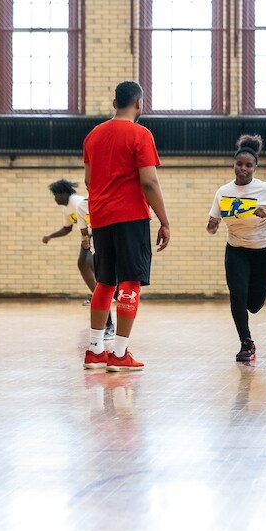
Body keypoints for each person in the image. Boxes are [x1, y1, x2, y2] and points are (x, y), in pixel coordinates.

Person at [82, 81, 170, 372]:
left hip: (101, 217)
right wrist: (164, 220)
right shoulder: (140, 134)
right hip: (130, 217)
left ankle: (95, 351)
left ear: (113, 102)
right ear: (139, 104)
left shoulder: (93, 135)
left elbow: (88, 180)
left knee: (105, 281)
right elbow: (149, 181)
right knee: (130, 282)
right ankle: (119, 354)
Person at [207, 135, 266, 362]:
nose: (242, 169)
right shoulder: (223, 192)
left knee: (254, 304)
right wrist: (212, 225)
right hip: (236, 249)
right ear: (234, 165)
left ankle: (250, 321)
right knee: (237, 294)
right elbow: (212, 224)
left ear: (255, 167)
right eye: (239, 164)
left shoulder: (265, 190)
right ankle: (246, 343)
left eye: (248, 165)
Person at [42, 179, 115, 339]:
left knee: (86, 266)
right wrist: (50, 236)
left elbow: (93, 215)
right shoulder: (67, 209)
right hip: (89, 238)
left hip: (96, 236)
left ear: (62, 194)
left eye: (55, 195)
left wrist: (88, 236)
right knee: (85, 267)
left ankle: (108, 317)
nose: (54, 199)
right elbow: (67, 228)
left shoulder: (78, 202)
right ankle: (101, 292)